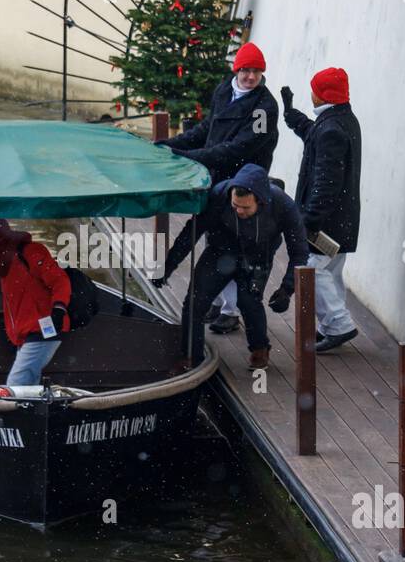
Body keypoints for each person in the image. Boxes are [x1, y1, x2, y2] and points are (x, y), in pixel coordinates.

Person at [156, 40, 279, 336]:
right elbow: (206, 131)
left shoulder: (265, 107)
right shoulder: (224, 90)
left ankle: (230, 311)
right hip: (216, 176)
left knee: (236, 246)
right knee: (217, 240)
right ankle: (222, 302)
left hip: (242, 183)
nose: (251, 76)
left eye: (257, 71)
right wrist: (170, 146)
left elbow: (239, 148)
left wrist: (188, 157)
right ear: (237, 70)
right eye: (246, 70)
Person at [152, 163, 308, 370]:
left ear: (260, 202)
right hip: (221, 252)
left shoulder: (283, 206)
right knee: (195, 302)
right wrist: (168, 266)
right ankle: (191, 355)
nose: (239, 210)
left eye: (245, 207)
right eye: (236, 206)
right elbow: (192, 232)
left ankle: (260, 349)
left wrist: (287, 289)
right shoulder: (219, 195)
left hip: (257, 256)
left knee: (249, 301)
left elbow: (299, 250)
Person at [281, 66, 362, 354]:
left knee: (312, 271)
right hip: (343, 220)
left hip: (326, 221)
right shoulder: (342, 120)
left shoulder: (330, 128)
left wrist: (309, 220)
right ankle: (330, 327)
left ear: (322, 94)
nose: (311, 93)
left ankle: (339, 325)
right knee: (331, 271)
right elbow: (314, 134)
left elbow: (326, 183)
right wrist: (293, 117)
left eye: (314, 89)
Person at [0, 219, 71, 388]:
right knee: (27, 385)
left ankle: (16, 411)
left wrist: (59, 309)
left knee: (16, 384)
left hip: (44, 329)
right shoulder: (2, 263)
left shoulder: (30, 253)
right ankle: (33, 411)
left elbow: (60, 281)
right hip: (27, 333)